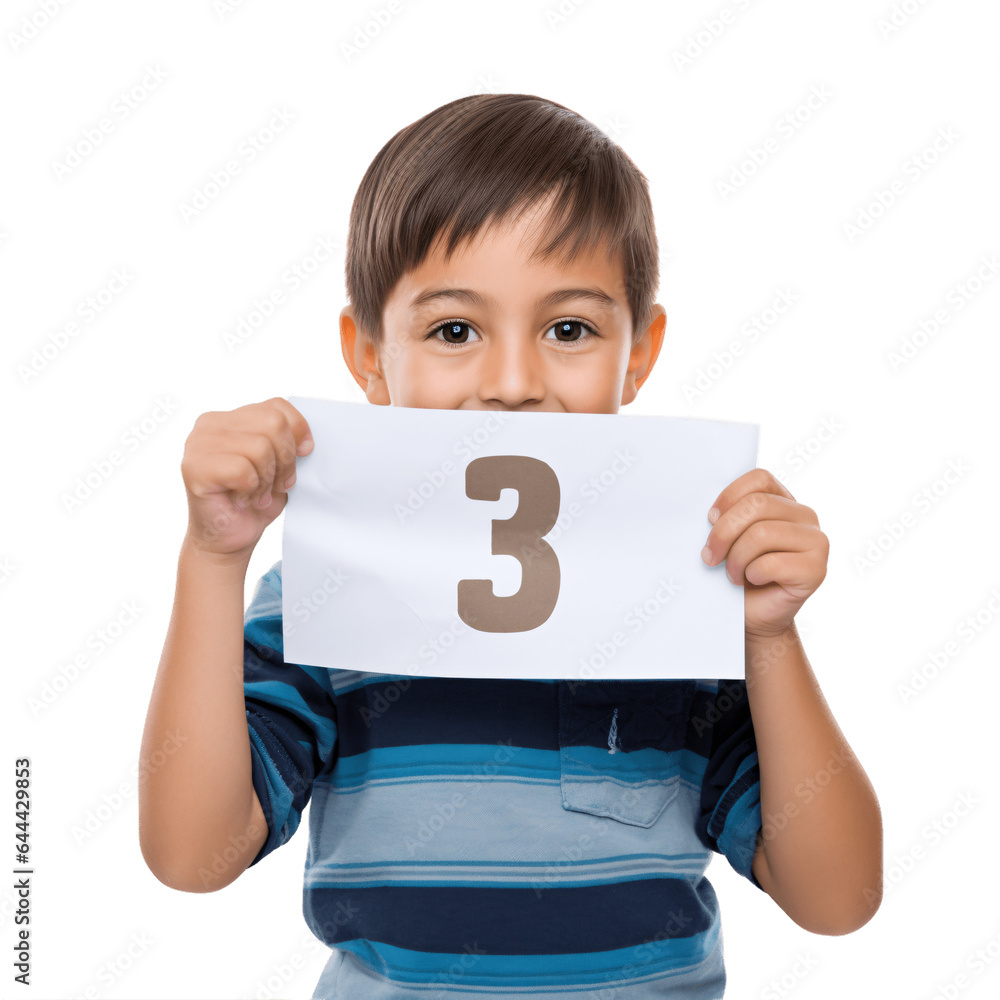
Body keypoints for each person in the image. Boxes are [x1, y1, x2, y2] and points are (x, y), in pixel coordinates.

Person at [138, 93, 883, 998]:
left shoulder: (686, 593)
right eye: (455, 330)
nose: (515, 383)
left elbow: (838, 900)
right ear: (370, 355)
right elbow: (192, 855)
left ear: (638, 353)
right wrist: (213, 561)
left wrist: (768, 635)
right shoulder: (328, 594)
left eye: (569, 329)